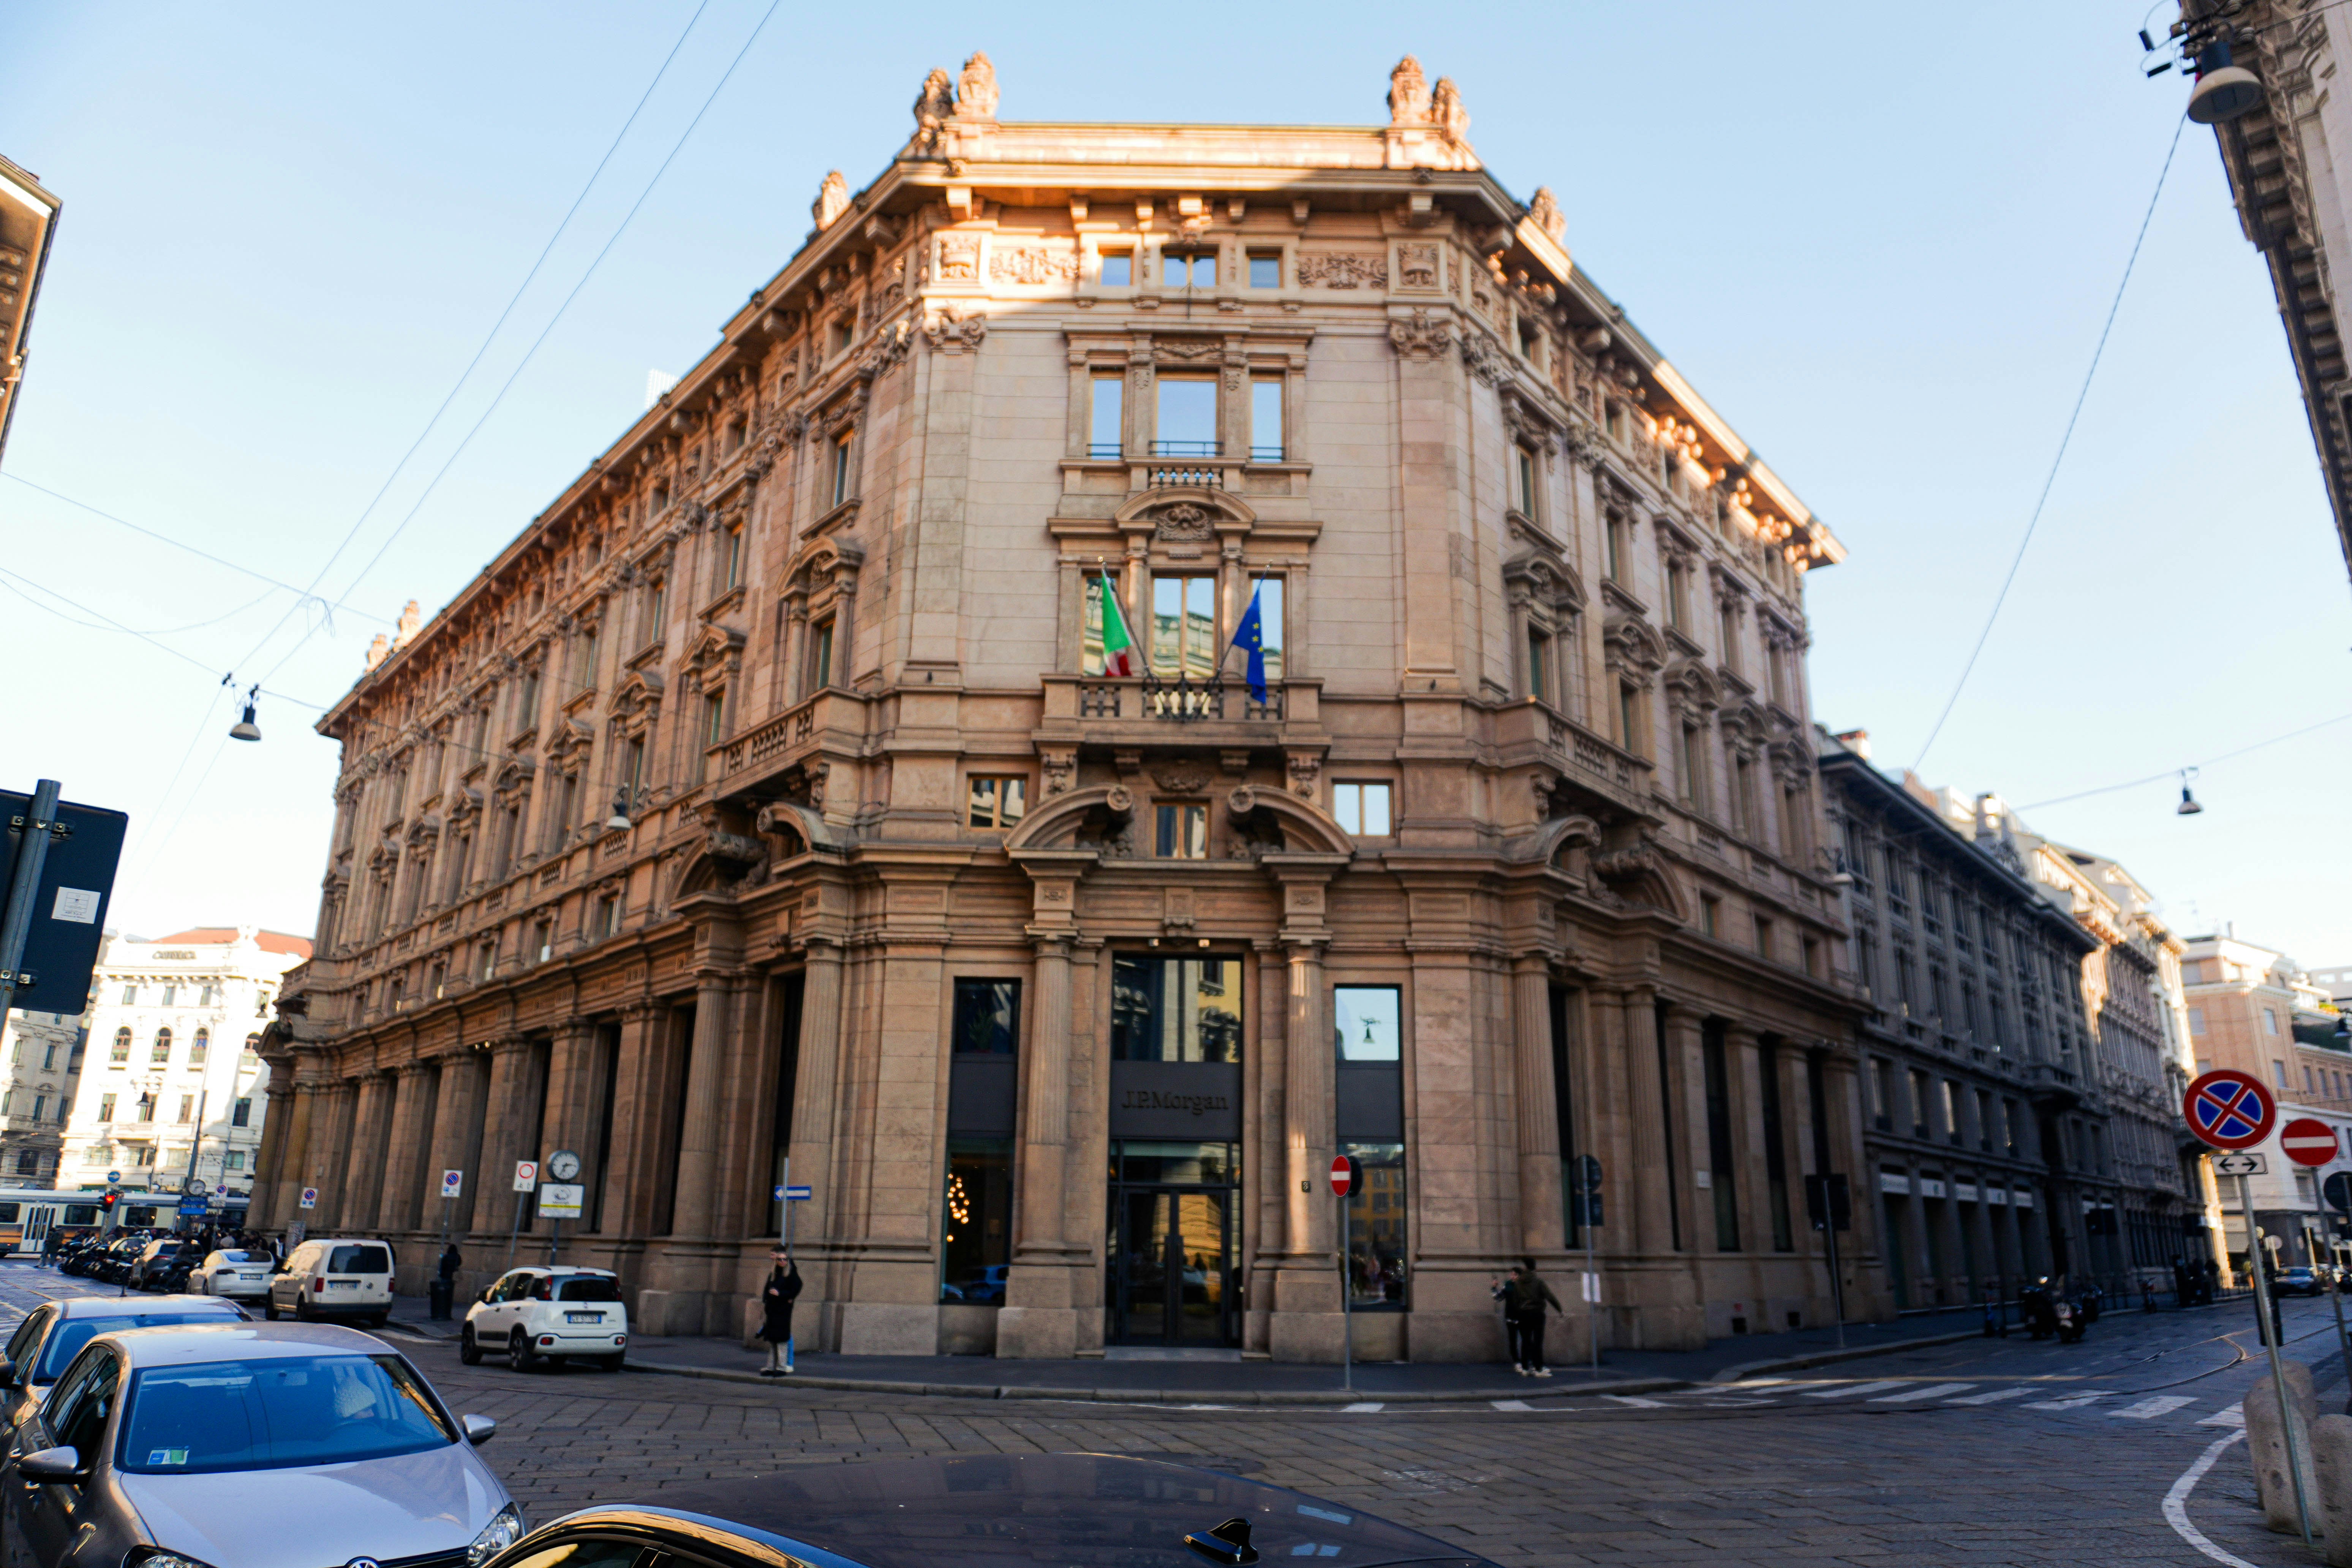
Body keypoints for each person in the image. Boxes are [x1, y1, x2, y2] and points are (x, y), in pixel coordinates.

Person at [1491, 1258, 1562, 1377]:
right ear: (1534, 1268)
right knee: (1537, 1341)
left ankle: (1525, 1368)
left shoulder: (1518, 1284)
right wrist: (1559, 1309)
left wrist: (1520, 1310)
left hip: (1523, 1314)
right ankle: (1538, 1368)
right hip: (1537, 1313)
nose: (1512, 1276)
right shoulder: (1538, 1281)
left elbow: (1516, 1300)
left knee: (1526, 1341)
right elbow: (1549, 1296)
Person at [759, 1248, 803, 1377]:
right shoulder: (773, 1273)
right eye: (780, 1259)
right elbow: (767, 1289)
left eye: (785, 1259)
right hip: (773, 1309)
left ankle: (782, 1367)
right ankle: (771, 1367)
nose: (783, 1261)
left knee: (782, 1339)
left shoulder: (790, 1273)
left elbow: (797, 1287)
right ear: (776, 1261)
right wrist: (767, 1301)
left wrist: (782, 1295)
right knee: (773, 1339)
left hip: (783, 1310)